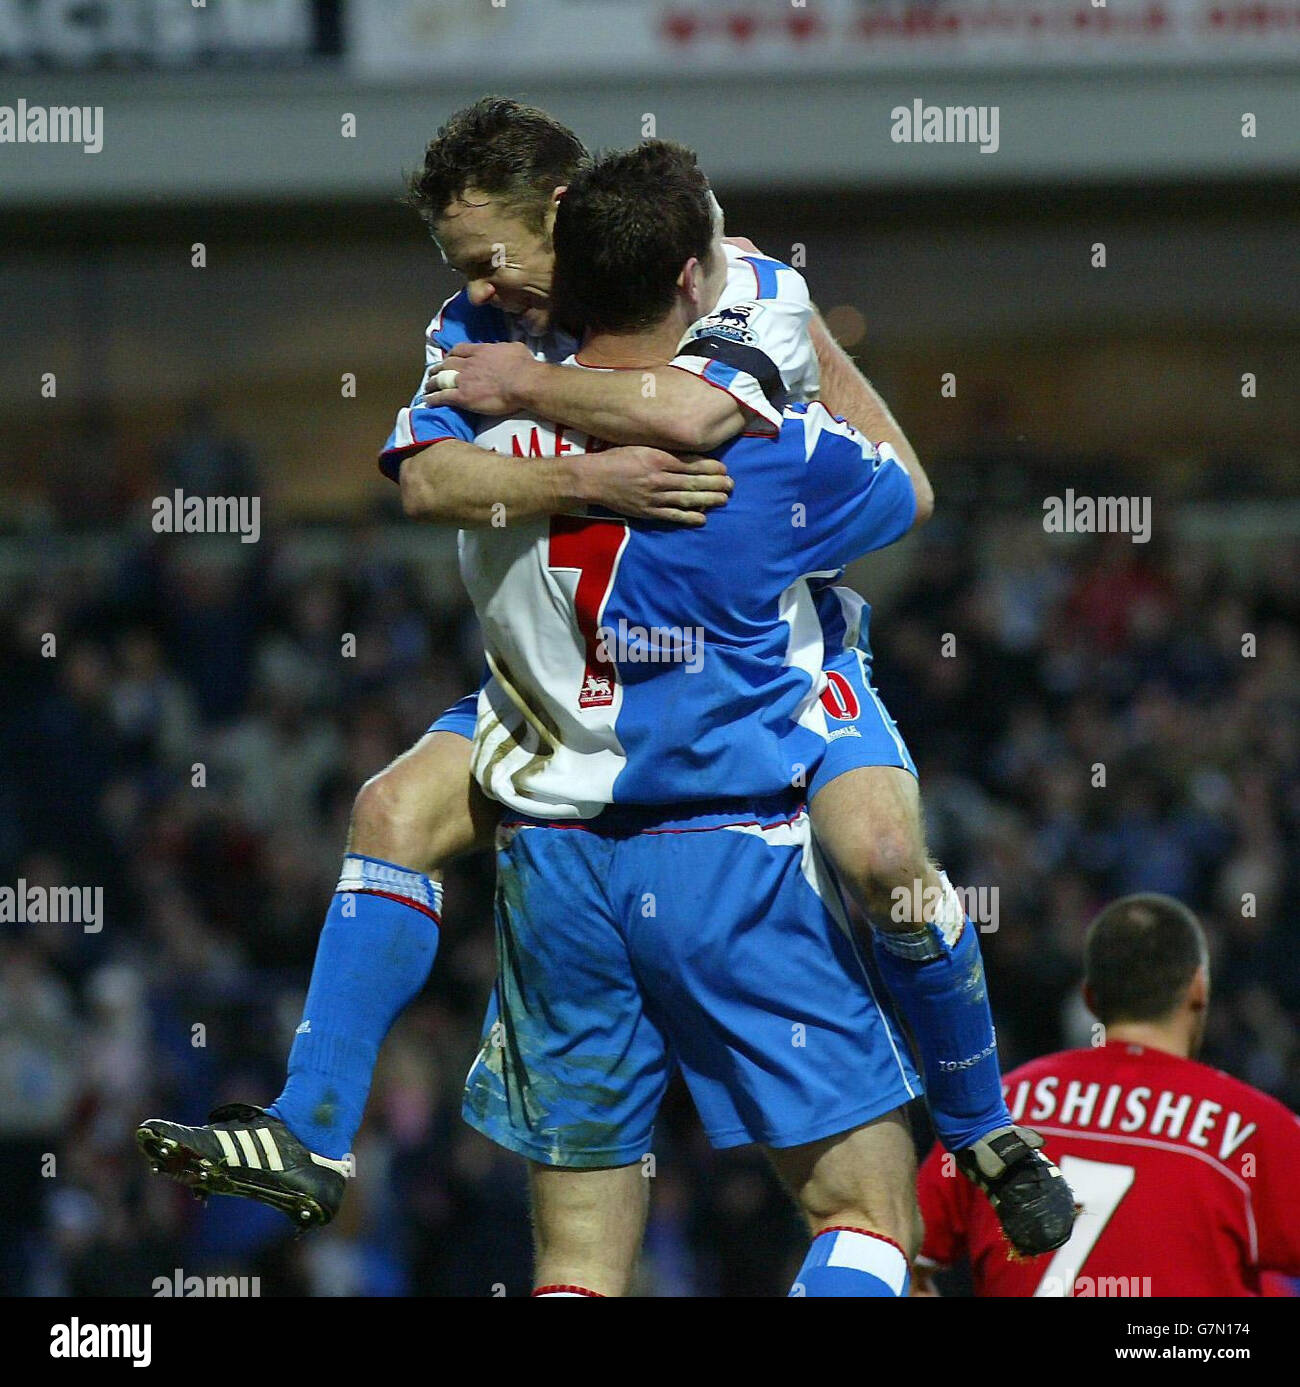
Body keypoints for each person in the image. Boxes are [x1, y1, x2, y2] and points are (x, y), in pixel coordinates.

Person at [139, 100, 1072, 1263]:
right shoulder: (473, 321)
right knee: (387, 807)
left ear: (568, 224)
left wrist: (538, 405)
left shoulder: (739, 292)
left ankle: (984, 1127)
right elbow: (432, 485)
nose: (475, 286)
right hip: (568, 693)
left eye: (488, 256)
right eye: (457, 264)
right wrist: (588, 475)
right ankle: (310, 1132)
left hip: (787, 664)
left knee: (884, 856)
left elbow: (685, 413)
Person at [915, 892, 1300, 1296]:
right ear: (1199, 989)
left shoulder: (1001, 1110)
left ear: (1090, 999)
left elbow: (900, 1255)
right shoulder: (1254, 1129)